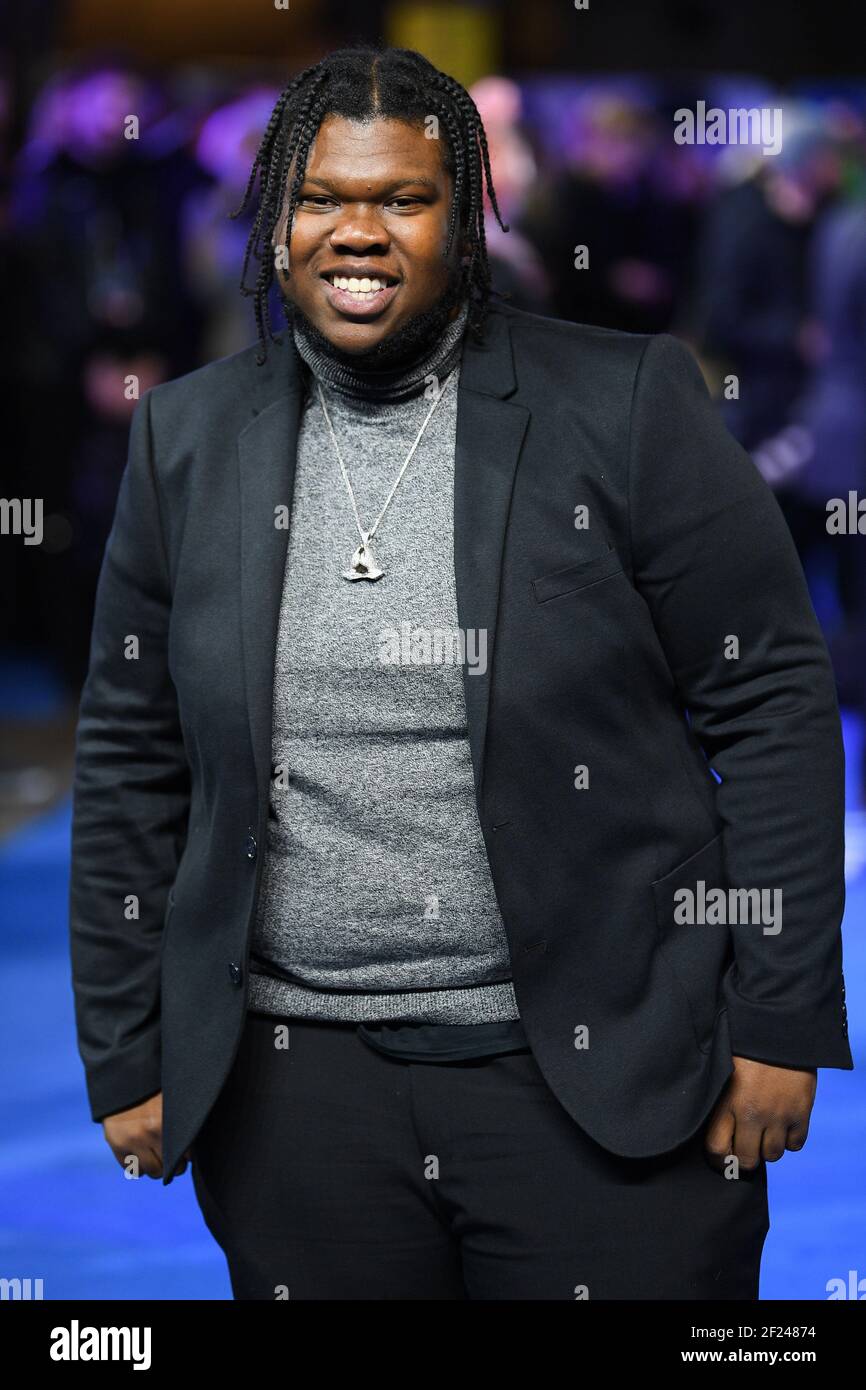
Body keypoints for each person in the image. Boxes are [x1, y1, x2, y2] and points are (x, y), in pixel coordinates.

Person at [69, 44, 853, 1302]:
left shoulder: (624, 404)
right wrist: (124, 1048)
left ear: (467, 222)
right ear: (275, 221)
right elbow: (128, 756)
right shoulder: (191, 438)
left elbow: (768, 706)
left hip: (598, 1082)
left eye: (403, 199)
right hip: (296, 1098)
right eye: (320, 197)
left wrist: (778, 1018)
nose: (355, 233)